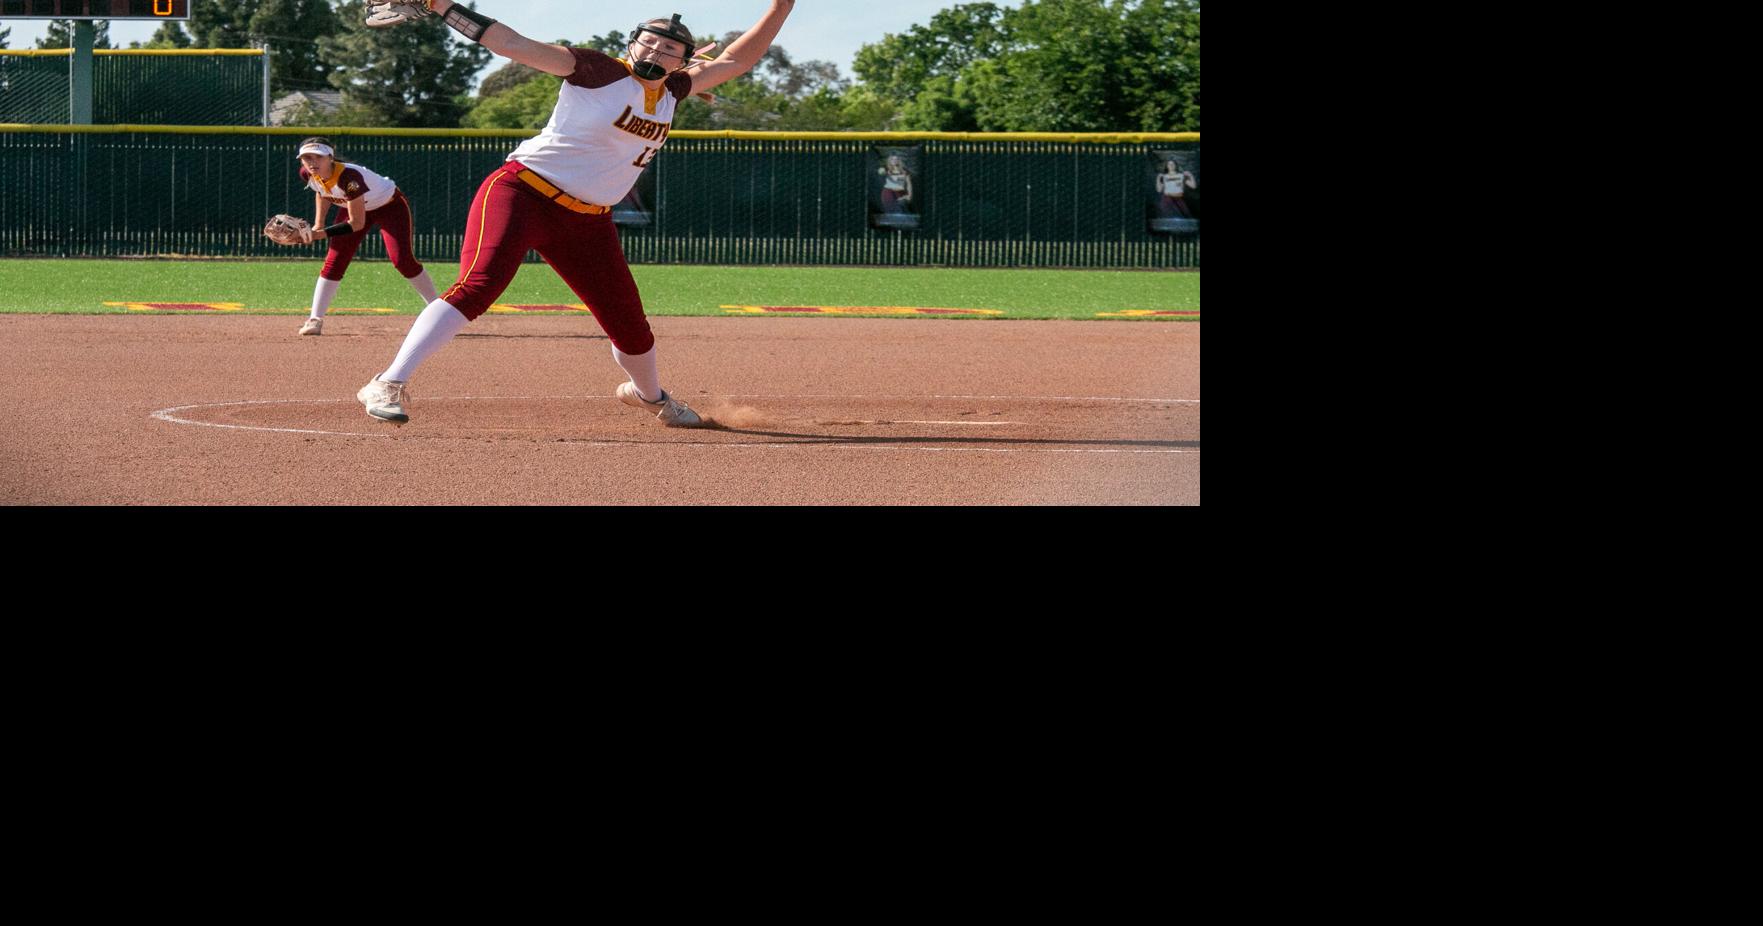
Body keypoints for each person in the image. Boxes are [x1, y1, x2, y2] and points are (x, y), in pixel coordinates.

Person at [353, 0, 796, 427]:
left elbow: (737, 61)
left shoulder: (673, 92)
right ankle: (387, 383)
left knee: (629, 323)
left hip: (587, 220)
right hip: (522, 192)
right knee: (478, 286)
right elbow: (511, 43)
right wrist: (441, 5)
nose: (656, 51)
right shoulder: (596, 70)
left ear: (681, 62)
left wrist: (781, 7)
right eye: (649, 42)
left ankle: (652, 398)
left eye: (669, 49)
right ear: (632, 43)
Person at [276, 137, 440, 336]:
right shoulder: (308, 173)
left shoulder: (350, 179)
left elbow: (356, 224)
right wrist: (318, 223)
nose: (311, 162)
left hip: (388, 206)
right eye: (306, 158)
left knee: (402, 260)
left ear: (330, 157)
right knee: (334, 261)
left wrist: (320, 234)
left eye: (317, 157)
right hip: (352, 206)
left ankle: (438, 313)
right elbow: (321, 192)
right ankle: (315, 319)